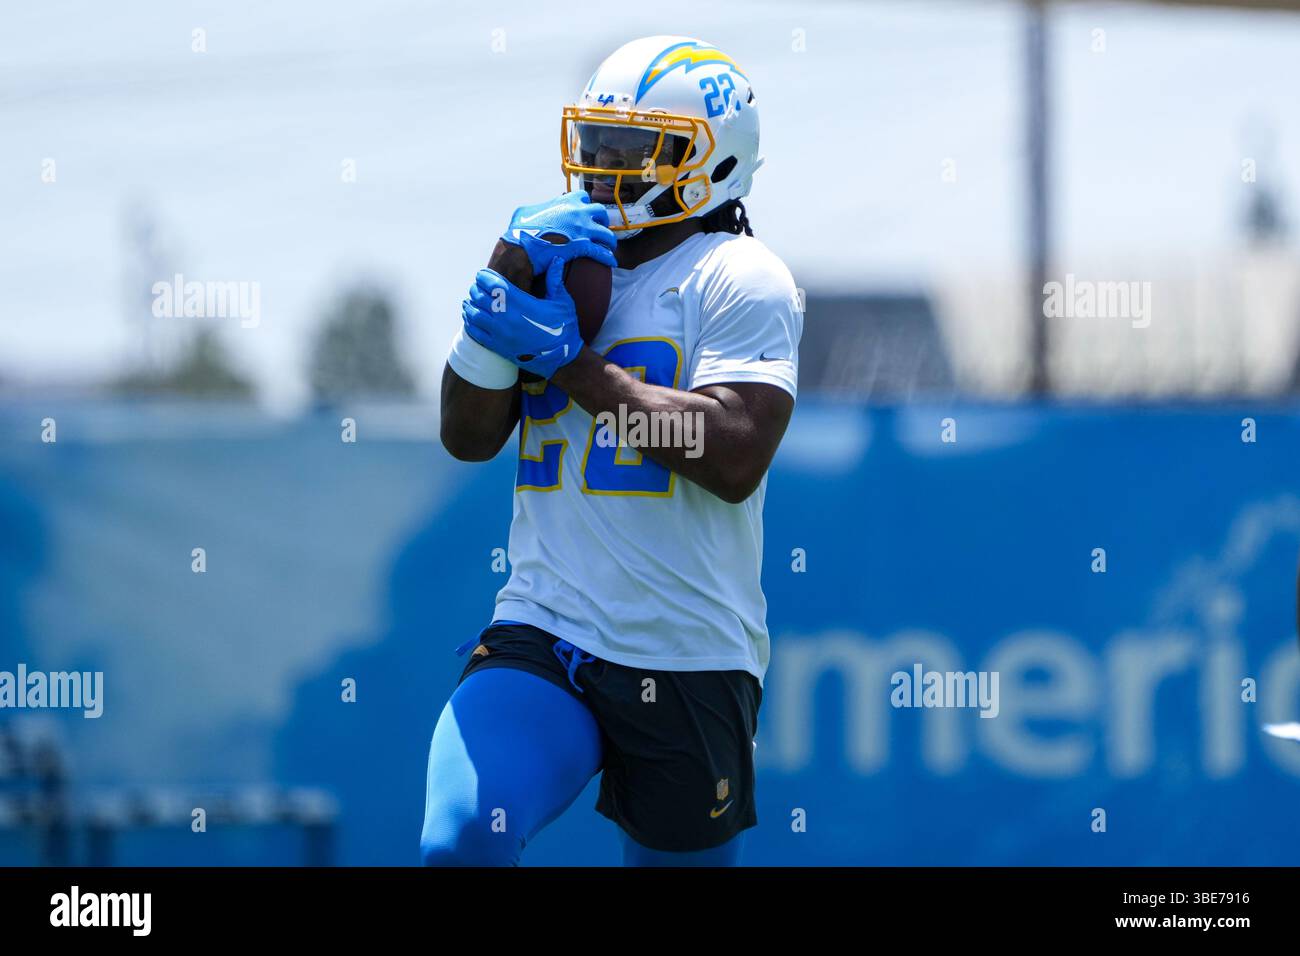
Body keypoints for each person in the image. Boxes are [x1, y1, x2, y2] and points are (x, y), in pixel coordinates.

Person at [423, 35, 802, 866]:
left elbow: (732, 456)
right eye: (596, 142)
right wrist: (500, 288)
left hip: (686, 651)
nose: (606, 165)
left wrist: (571, 365)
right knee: (461, 842)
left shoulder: (739, 274)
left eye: (636, 146)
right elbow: (465, 438)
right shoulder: (554, 261)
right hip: (543, 626)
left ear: (713, 158)